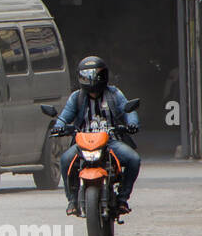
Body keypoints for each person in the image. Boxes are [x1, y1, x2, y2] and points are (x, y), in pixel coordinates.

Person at [52, 56, 141, 217]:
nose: (92, 80)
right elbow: (64, 117)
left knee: (134, 159)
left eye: (96, 75)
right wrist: (58, 127)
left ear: (104, 76)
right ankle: (72, 200)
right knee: (65, 160)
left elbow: (129, 111)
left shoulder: (114, 94)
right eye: (87, 76)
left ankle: (122, 198)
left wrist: (132, 123)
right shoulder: (76, 97)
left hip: (110, 142)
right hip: (83, 143)